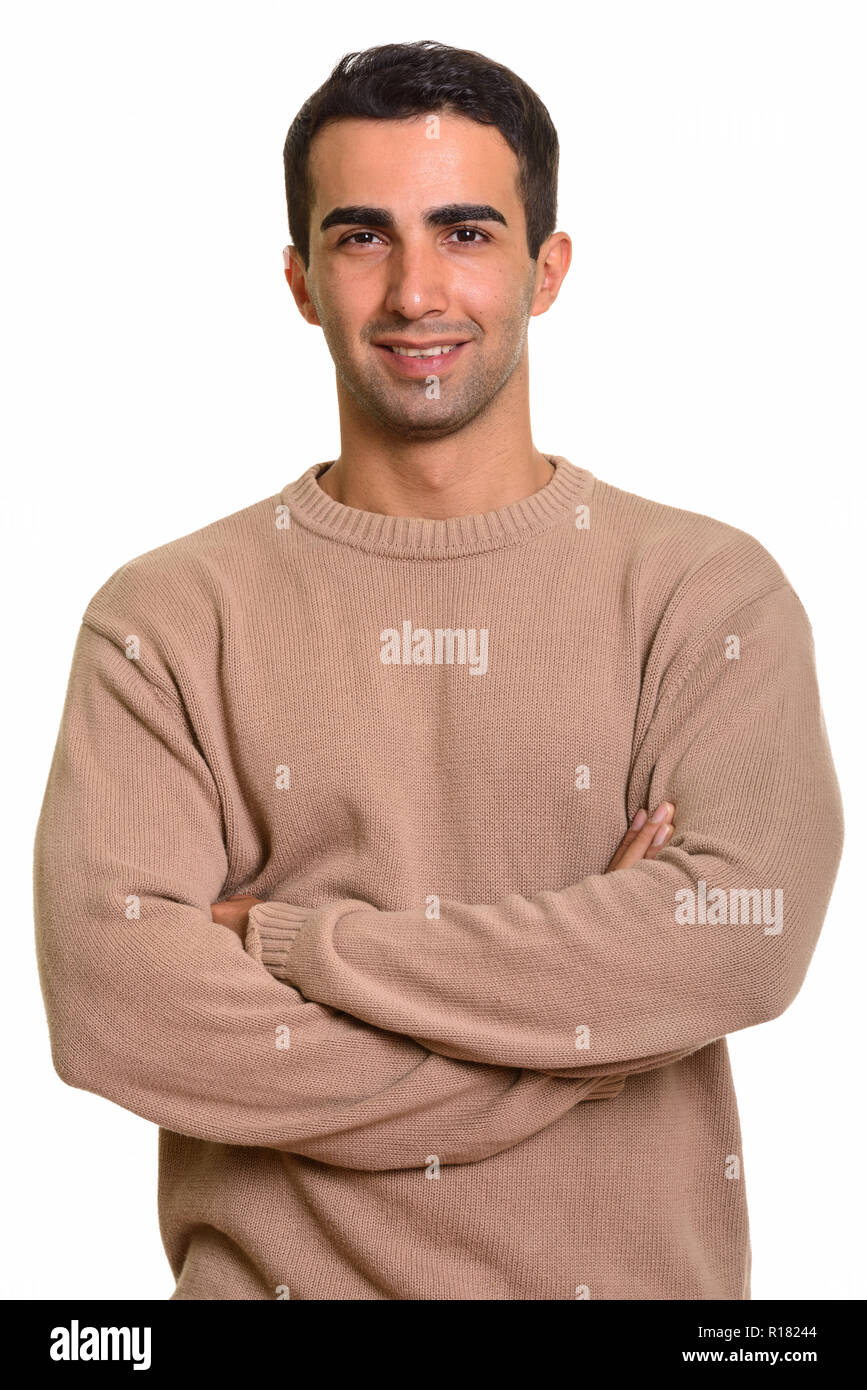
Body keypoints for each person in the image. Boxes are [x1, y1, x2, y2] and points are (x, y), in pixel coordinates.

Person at [34, 39, 843, 1301]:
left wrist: (296, 943)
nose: (416, 291)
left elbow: (740, 938)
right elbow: (112, 1005)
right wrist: (578, 1047)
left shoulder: (706, 594)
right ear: (302, 281)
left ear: (549, 267)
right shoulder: (165, 619)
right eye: (363, 239)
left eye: (466, 232)